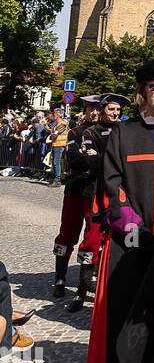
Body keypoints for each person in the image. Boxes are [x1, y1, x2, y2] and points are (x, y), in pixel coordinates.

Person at [87, 59, 154, 363]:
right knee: (127, 318)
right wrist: (136, 232)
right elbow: (112, 186)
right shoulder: (124, 133)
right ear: (142, 92)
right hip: (132, 244)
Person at [65, 92, 130, 313]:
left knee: (129, 239)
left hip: (122, 195)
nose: (115, 113)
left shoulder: (127, 130)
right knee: (91, 240)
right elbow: (91, 161)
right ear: (103, 109)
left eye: (118, 110)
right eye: (111, 109)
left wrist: (109, 161)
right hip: (96, 192)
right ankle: (80, 292)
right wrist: (114, 162)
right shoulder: (89, 132)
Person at [51, 96, 103, 297]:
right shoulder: (75, 131)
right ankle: (60, 276)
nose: (95, 113)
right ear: (85, 111)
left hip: (96, 191)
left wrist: (94, 158)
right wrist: (96, 160)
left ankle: (85, 281)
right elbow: (73, 158)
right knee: (67, 233)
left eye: (98, 109)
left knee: (93, 237)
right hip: (75, 188)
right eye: (91, 109)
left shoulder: (108, 132)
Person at [47, 107, 69, 183]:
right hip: (56, 144)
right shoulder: (58, 124)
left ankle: (57, 179)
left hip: (59, 145)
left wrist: (52, 135)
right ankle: (55, 178)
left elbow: (55, 135)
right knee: (54, 162)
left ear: (57, 115)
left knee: (56, 162)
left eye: (53, 114)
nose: (52, 115)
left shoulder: (62, 123)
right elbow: (54, 134)